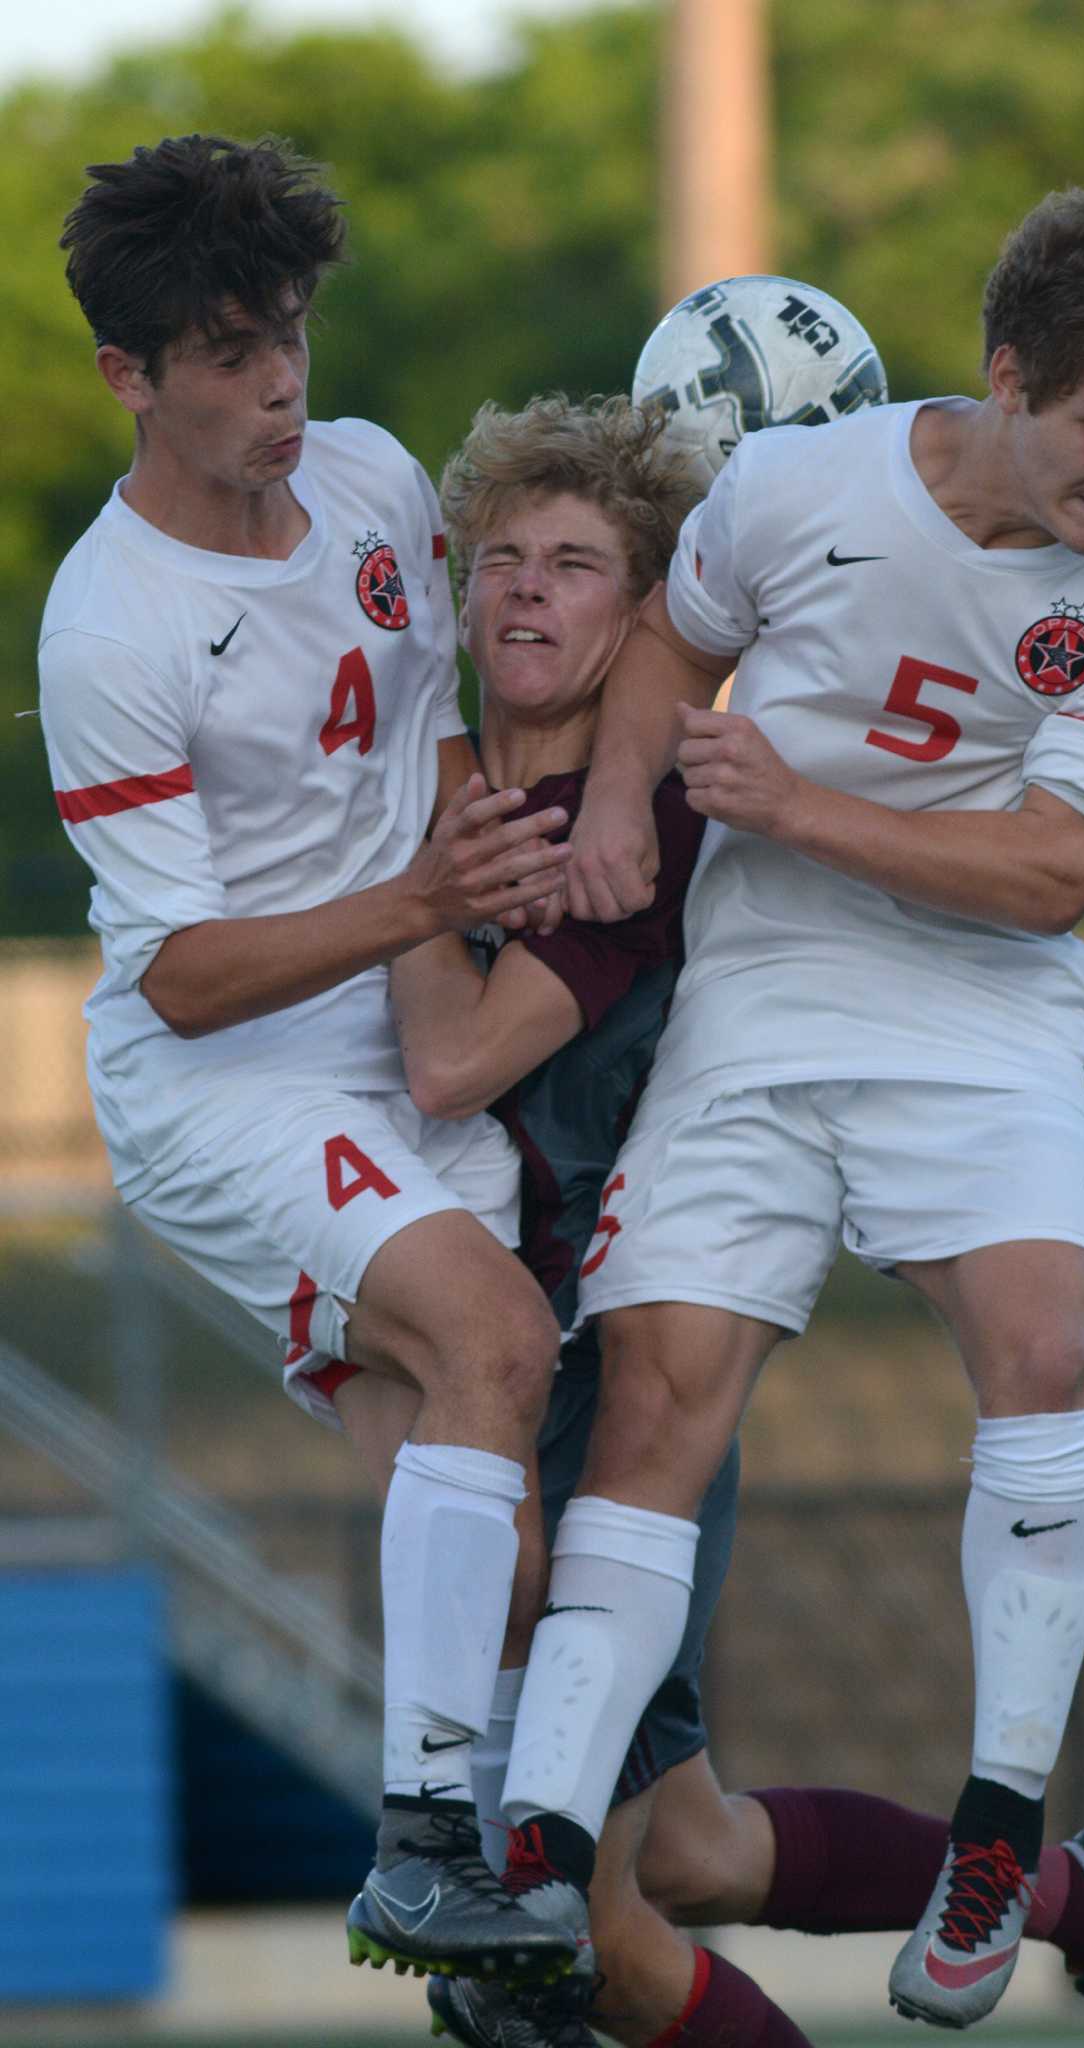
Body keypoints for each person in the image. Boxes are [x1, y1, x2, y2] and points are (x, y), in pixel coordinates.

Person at [354, 399, 1084, 2048]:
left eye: (577, 565)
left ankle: (1056, 1879)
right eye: (501, 559)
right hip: (487, 1359)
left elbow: (454, 1064)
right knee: (687, 1854)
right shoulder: (435, 783)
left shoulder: (636, 833)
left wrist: (400, 872)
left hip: (590, 1365)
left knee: (591, 1937)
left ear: (654, 610)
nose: (527, 589)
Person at [39, 132, 588, 1990]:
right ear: (128, 374)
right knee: (499, 1338)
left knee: (505, 1545)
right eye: (228, 354)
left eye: (290, 335)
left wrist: (488, 870)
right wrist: (427, 897)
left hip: (397, 1044)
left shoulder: (367, 480)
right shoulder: (110, 627)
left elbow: (428, 737)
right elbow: (186, 979)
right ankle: (424, 1851)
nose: (280, 384)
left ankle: (490, 1937)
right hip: (229, 1088)